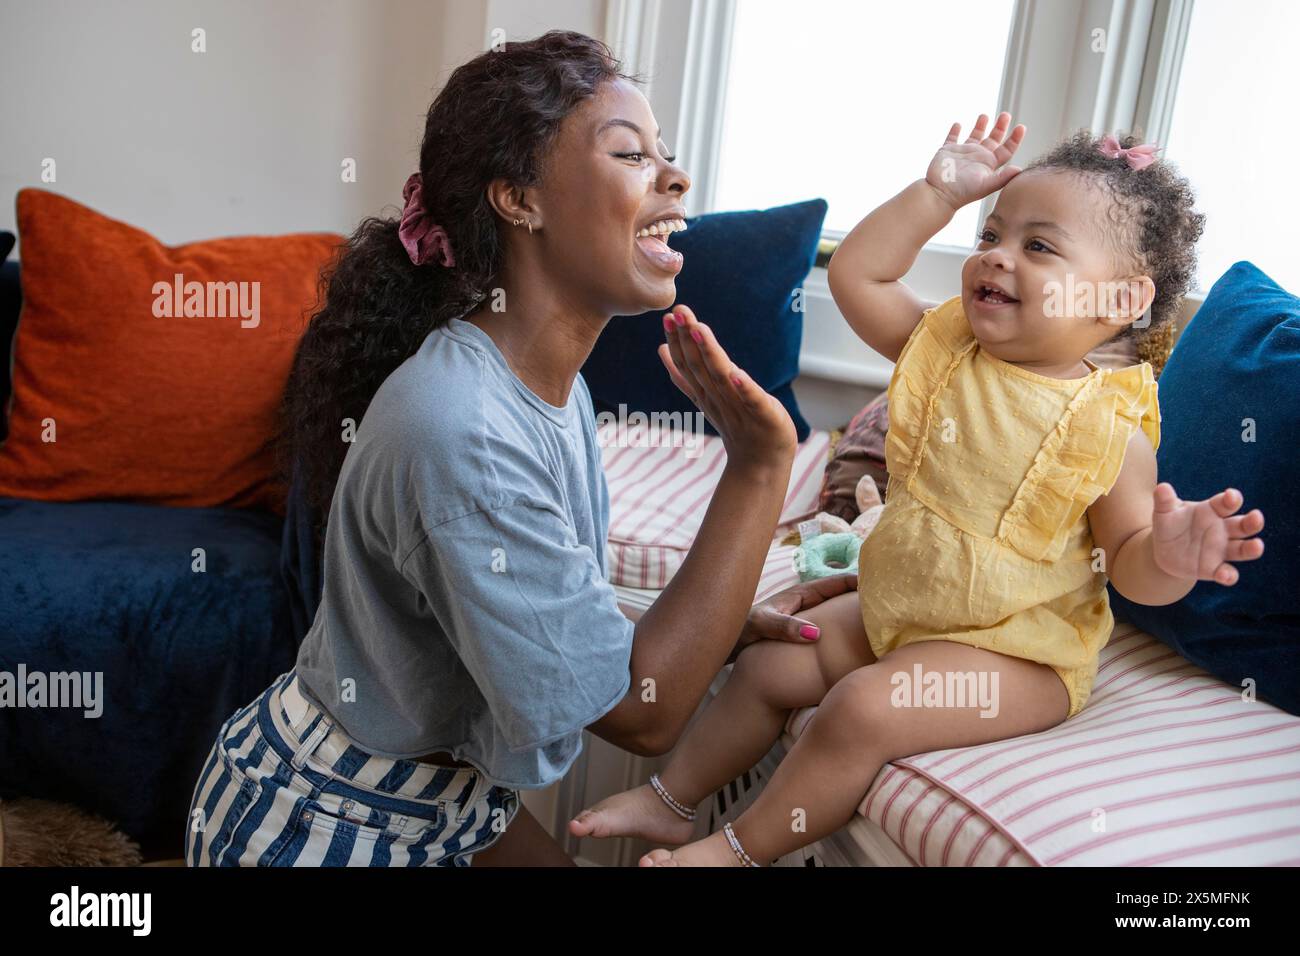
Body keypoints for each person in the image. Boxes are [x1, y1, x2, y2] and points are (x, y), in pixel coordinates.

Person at [184, 30, 846, 867]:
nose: (676, 178)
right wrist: (759, 467)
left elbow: (545, 605)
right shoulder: (463, 429)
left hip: (449, 804)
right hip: (331, 825)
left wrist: (715, 628)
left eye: (669, 156)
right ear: (520, 200)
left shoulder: (546, 388)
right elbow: (642, 710)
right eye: (630, 154)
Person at [570, 113, 1266, 866]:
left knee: (864, 708)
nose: (997, 258)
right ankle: (671, 801)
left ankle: (735, 851)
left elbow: (1129, 564)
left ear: (1123, 301)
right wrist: (937, 193)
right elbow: (857, 275)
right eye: (990, 237)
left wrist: (1168, 553)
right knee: (769, 666)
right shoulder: (946, 347)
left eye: (1037, 247)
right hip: (903, 608)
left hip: (1018, 656)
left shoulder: (1109, 429)